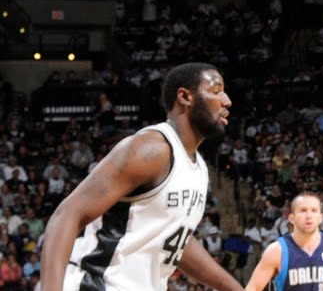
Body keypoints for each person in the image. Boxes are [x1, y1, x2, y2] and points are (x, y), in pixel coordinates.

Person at [40, 62, 243, 291]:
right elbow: (66, 215)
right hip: (96, 285)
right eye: (216, 91)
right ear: (185, 97)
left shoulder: (199, 169)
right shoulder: (151, 149)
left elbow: (174, 241)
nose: (227, 101)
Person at [242, 192, 323, 291]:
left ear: (320, 218)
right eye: (303, 210)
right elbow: (253, 287)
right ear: (292, 218)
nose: (309, 215)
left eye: (314, 210)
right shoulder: (277, 251)